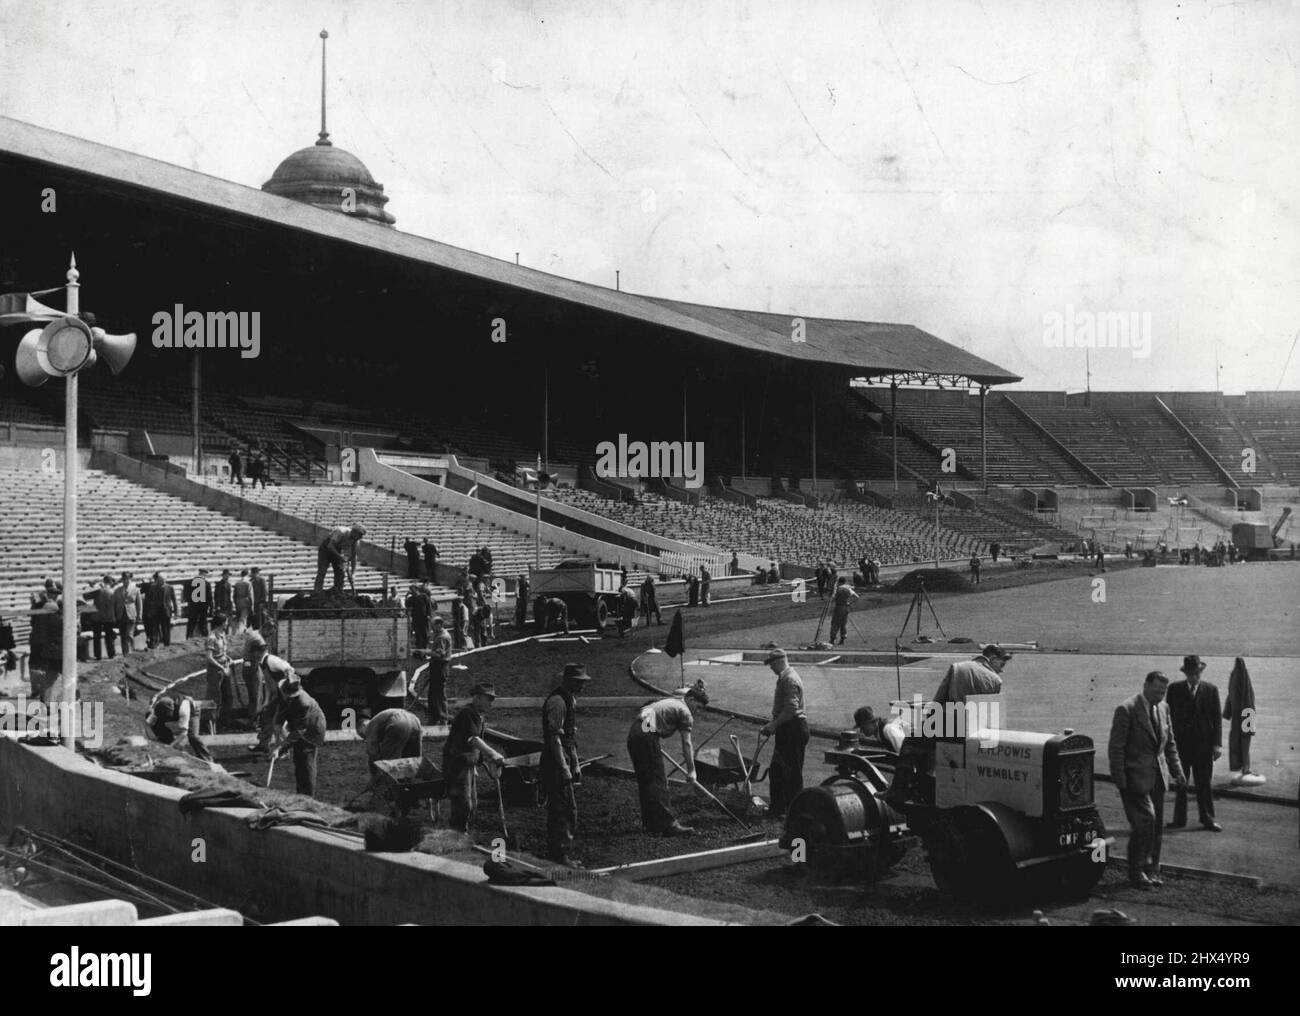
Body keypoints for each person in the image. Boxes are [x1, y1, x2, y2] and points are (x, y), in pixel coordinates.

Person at [1108, 671, 1185, 890]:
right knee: (1145, 822)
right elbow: (1116, 748)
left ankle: (1151, 869)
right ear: (1145, 686)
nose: (1161, 695)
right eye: (1157, 690)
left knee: (1156, 826)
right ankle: (1136, 871)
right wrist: (1120, 779)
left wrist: (1177, 770)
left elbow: (1169, 743)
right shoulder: (1127, 709)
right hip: (1133, 779)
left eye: (1164, 691)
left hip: (1158, 778)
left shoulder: (1164, 708)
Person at [626, 685, 707, 836]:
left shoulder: (671, 701)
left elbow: (646, 709)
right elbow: (687, 743)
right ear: (690, 699)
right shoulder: (685, 712)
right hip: (646, 735)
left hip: (635, 732)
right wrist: (692, 771)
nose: (698, 711)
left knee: (647, 781)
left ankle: (651, 824)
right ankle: (669, 825)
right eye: (698, 706)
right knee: (658, 782)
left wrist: (650, 736)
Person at [1167, 655, 1223, 832]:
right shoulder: (1174, 689)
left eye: (1197, 673)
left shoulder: (1211, 690)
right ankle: (1179, 819)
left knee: (1204, 783)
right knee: (1181, 783)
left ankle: (1207, 818)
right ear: (1186, 674)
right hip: (1181, 746)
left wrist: (1217, 744)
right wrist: (1169, 744)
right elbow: (1168, 718)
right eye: (1191, 674)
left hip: (1204, 747)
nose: (1195, 677)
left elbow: (1217, 719)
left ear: (1201, 672)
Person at [541, 663, 590, 866]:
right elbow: (554, 738)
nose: (582, 686)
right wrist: (563, 768)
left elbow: (570, 737)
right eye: (579, 682)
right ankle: (560, 855)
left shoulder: (570, 699)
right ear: (568, 681)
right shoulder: (557, 702)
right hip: (555, 760)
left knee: (564, 807)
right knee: (564, 809)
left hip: (565, 756)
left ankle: (558, 852)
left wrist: (576, 764)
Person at [443, 683, 506, 832]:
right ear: (477, 698)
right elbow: (473, 739)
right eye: (488, 698)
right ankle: (457, 833)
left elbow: (474, 742)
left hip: (467, 763)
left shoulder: (477, 716)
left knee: (472, 802)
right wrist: (493, 753)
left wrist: (477, 762)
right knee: (463, 802)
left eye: (492, 699)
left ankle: (462, 830)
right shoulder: (467, 714)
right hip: (457, 764)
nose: (491, 702)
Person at [760, 648, 808, 818]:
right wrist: (774, 725)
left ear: (780, 661)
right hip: (787, 728)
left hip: (793, 729)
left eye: (771, 664)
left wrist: (773, 725)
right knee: (777, 770)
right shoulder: (785, 677)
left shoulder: (789, 679)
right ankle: (778, 808)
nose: (770, 667)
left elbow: (791, 709)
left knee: (792, 773)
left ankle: (794, 812)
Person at [269, 676, 328, 797]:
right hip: (299, 726)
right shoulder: (285, 694)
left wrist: (280, 748)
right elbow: (281, 710)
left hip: (312, 730)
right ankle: (300, 794)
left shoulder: (303, 703)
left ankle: (307, 797)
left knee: (306, 761)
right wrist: (277, 735)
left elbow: (299, 731)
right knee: (298, 759)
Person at [244, 631, 297, 754]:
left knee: (278, 723)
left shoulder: (271, 660)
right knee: (266, 717)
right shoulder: (262, 664)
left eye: (254, 653)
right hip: (275, 696)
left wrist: (287, 686)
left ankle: (286, 749)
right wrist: (266, 702)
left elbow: (289, 668)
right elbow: (268, 685)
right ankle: (263, 745)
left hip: (283, 696)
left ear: (258, 652)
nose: (253, 656)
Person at [143, 693, 213, 762]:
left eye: (167, 715)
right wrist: (152, 737)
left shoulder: (183, 709)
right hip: (173, 711)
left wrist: (170, 747)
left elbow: (184, 732)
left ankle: (207, 759)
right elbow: (147, 723)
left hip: (193, 712)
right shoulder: (158, 707)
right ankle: (167, 742)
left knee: (193, 736)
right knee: (154, 719)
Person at [933, 644, 1012, 704]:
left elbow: (939, 697)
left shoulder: (957, 667)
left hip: (952, 719)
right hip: (975, 721)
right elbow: (990, 711)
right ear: (993, 659)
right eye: (1002, 665)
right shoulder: (996, 680)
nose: (1001, 670)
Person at [1223, 657, 1260, 784]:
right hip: (1247, 714)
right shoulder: (1244, 678)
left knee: (1238, 741)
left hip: (1240, 715)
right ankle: (1245, 767)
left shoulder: (1234, 677)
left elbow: (1230, 696)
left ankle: (1242, 767)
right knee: (1245, 742)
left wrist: (1227, 713)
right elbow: (1249, 699)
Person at [314, 524, 366, 595]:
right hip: (326, 550)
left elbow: (353, 556)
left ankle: (338, 592)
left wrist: (353, 574)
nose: (358, 538)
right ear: (354, 532)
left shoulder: (356, 541)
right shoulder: (341, 531)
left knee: (340, 573)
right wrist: (340, 557)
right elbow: (330, 546)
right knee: (322, 571)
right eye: (358, 535)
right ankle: (317, 592)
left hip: (338, 550)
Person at [204, 613, 234, 717]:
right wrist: (221, 667)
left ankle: (224, 720)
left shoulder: (223, 634)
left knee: (228, 695)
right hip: (215, 671)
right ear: (221, 623)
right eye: (226, 622)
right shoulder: (212, 637)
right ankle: (210, 721)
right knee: (214, 697)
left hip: (224, 668)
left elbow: (222, 653)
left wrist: (228, 658)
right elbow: (209, 657)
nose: (227, 624)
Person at [424, 615, 452, 723]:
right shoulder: (439, 635)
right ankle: (435, 717)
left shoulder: (442, 637)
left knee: (439, 694)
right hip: (437, 667)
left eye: (433, 626)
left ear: (439, 625)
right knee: (433, 694)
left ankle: (443, 718)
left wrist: (426, 652)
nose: (431, 628)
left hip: (440, 667)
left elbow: (440, 654)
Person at [143, 572, 177, 649]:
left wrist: (176, 612)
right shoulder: (153, 587)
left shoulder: (170, 587)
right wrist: (150, 610)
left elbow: (174, 600)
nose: (160, 581)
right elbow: (149, 600)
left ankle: (167, 644)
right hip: (155, 611)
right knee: (155, 629)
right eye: (159, 579)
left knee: (166, 629)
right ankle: (155, 644)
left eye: (162, 580)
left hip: (166, 611)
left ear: (164, 580)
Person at [112, 571, 142, 656]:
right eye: (124, 579)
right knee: (123, 635)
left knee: (129, 634)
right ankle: (125, 652)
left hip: (131, 615)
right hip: (121, 615)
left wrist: (139, 615)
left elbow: (139, 603)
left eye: (127, 579)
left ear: (130, 579)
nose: (126, 581)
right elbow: (114, 604)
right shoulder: (117, 590)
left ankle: (130, 651)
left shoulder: (136, 589)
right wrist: (114, 616)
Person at [90, 574, 117, 660]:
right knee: (109, 636)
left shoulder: (97, 590)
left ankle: (98, 655)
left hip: (97, 616)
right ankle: (111, 654)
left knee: (96, 636)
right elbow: (114, 605)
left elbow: (87, 597)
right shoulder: (112, 591)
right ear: (110, 582)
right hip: (108, 616)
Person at [829, 575, 859, 645]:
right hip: (846, 607)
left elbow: (832, 598)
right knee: (843, 624)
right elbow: (857, 597)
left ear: (839, 582)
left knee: (835, 624)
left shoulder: (837, 589)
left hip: (838, 607)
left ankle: (832, 639)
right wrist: (849, 603)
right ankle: (842, 639)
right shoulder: (848, 589)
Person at [184, 568, 211, 639]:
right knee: (203, 623)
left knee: (191, 623)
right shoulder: (206, 583)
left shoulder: (190, 582)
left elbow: (186, 594)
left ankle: (188, 637)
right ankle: (205, 637)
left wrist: (190, 602)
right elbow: (209, 597)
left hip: (193, 606)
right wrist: (210, 607)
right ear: (204, 574)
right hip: (203, 606)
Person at [406, 583, 431, 650]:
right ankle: (419, 649)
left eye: (412, 589)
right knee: (418, 634)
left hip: (424, 618)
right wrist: (406, 596)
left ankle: (425, 647)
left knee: (425, 633)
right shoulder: (411, 598)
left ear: (416, 589)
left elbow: (428, 606)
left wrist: (428, 614)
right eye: (410, 590)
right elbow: (407, 605)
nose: (411, 591)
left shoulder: (424, 596)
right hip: (416, 618)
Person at [232, 568, 253, 635]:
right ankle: (240, 632)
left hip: (238, 602)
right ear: (247, 574)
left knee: (241, 618)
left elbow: (234, 595)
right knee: (243, 619)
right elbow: (250, 595)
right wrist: (252, 606)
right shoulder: (248, 583)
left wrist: (236, 603)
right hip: (246, 602)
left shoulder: (237, 583)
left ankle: (244, 631)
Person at [250, 567, 270, 631]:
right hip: (253, 604)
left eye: (256, 573)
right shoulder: (250, 581)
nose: (254, 574)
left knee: (261, 619)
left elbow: (264, 591)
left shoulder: (261, 580)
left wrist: (262, 601)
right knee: (254, 619)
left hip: (259, 603)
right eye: (253, 573)